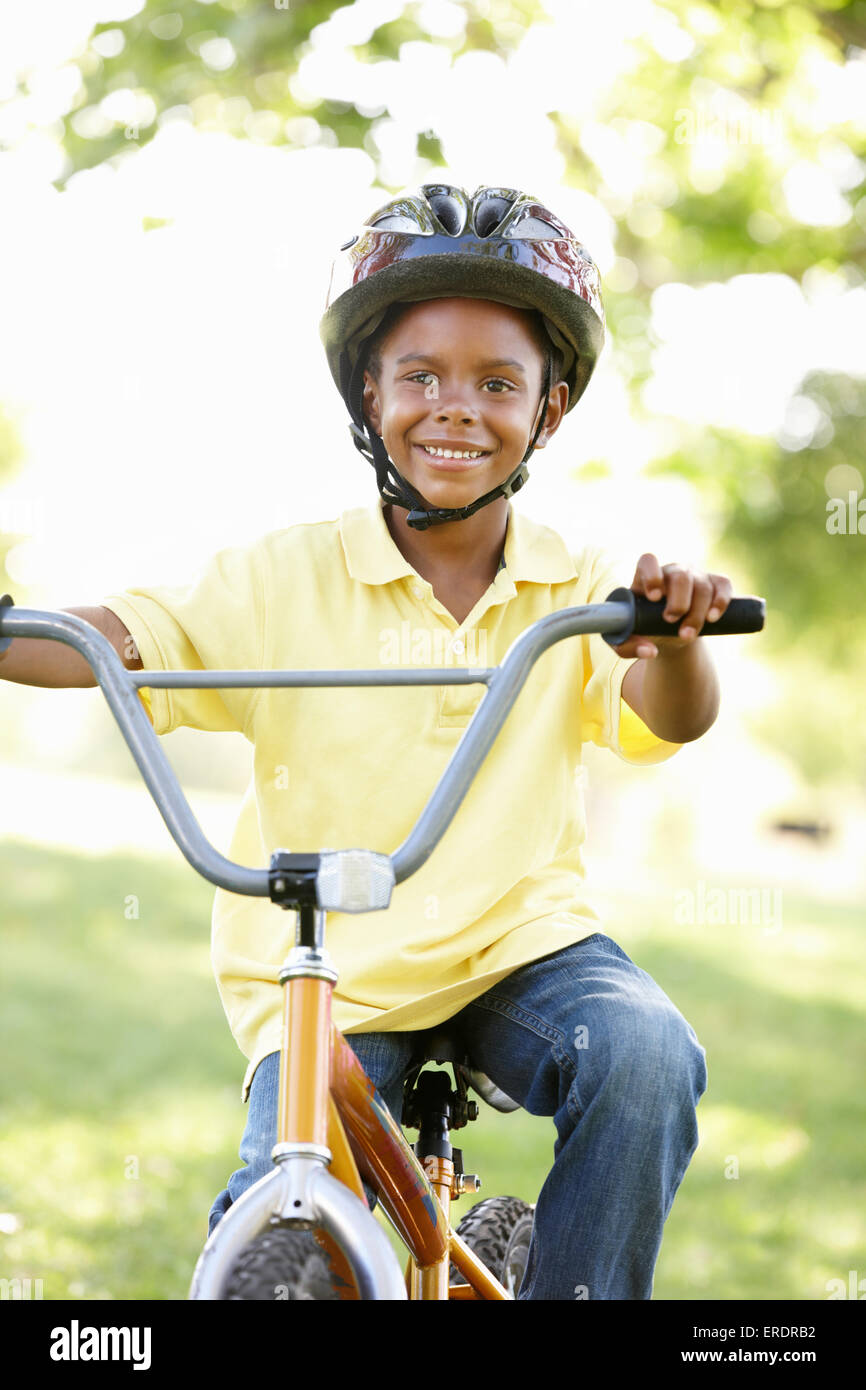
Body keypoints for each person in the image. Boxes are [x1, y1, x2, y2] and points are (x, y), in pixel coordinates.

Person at [1, 184, 732, 1299]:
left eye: (497, 384)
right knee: (277, 1204)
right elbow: (116, 640)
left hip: (517, 946)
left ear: (548, 411)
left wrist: (671, 636)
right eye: (421, 376)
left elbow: (669, 714)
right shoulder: (281, 574)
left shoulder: (582, 585)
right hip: (329, 970)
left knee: (644, 1052)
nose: (455, 409)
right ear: (368, 392)